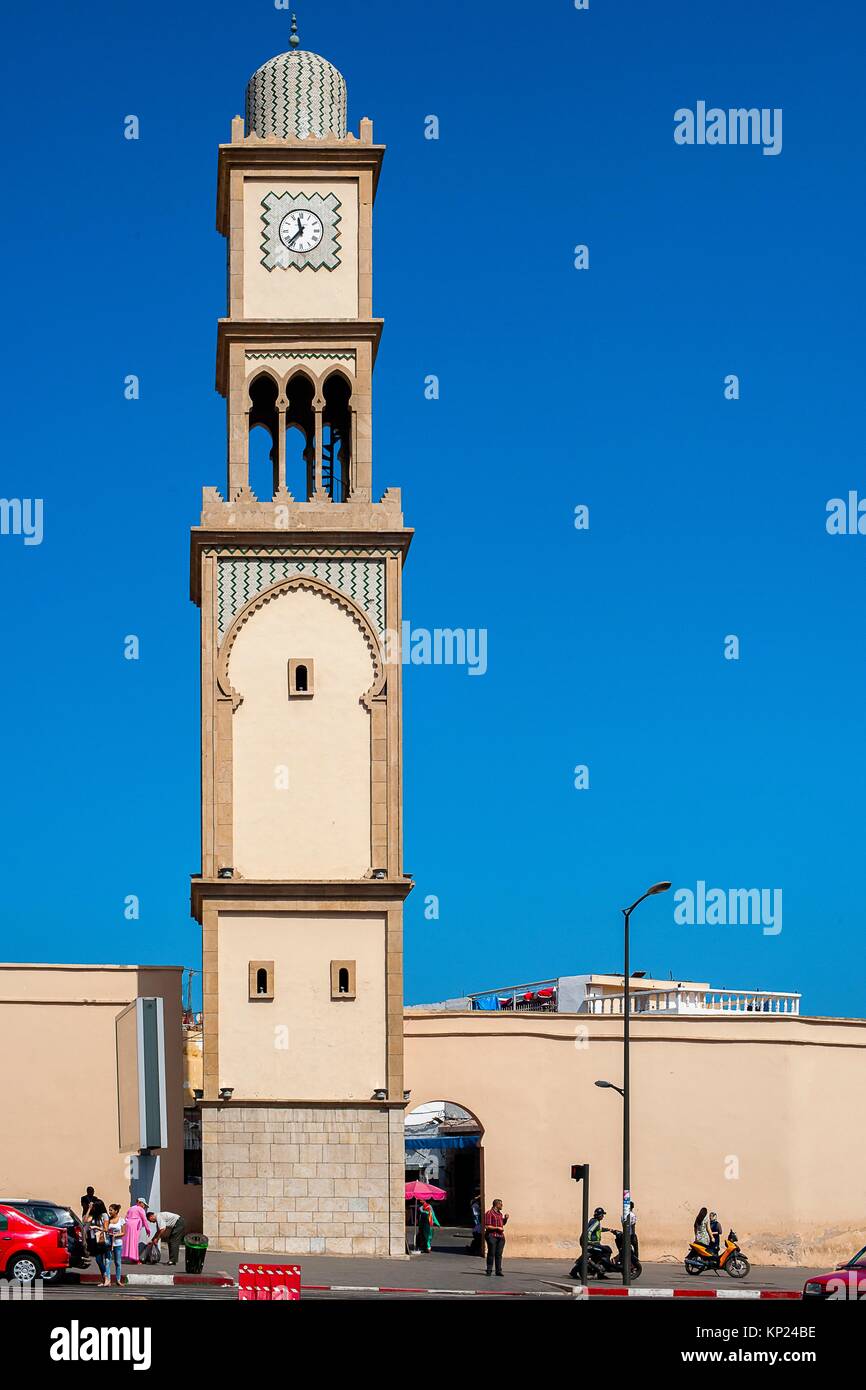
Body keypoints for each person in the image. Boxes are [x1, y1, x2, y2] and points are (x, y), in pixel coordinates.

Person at [483, 1197, 508, 1276]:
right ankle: (489, 1270)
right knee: (491, 1253)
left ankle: (498, 1270)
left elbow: (502, 1224)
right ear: (497, 1205)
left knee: (499, 1254)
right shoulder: (489, 1213)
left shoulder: (500, 1214)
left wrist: (505, 1219)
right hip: (491, 1236)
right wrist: (497, 1228)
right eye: (501, 1204)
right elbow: (487, 1226)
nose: (502, 1206)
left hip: (500, 1236)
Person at [122, 1199, 150, 1263]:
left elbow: (126, 1217)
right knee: (134, 1242)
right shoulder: (140, 1209)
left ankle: (131, 1257)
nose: (144, 1206)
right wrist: (147, 1229)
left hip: (128, 1224)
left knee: (129, 1241)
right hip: (135, 1225)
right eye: (144, 1205)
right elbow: (144, 1219)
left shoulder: (131, 1208)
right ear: (140, 1203)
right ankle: (136, 1259)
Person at [103, 1204, 125, 1287]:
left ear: (116, 1211)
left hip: (118, 1244)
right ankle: (108, 1280)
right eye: (109, 1210)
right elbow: (105, 1229)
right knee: (107, 1261)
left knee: (117, 1262)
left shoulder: (121, 1220)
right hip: (108, 1243)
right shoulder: (108, 1220)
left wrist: (115, 1235)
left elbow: (123, 1232)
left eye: (111, 1210)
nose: (110, 1212)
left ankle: (118, 1280)